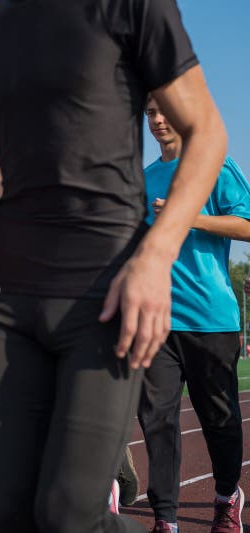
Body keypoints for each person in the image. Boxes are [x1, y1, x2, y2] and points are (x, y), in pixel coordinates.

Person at [0, 1, 228, 531]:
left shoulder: (132, 8)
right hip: (10, 307)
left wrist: (154, 257)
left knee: (68, 515)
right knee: (3, 514)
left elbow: (207, 133)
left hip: (105, 299)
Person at [140, 97, 250, 533]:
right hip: (157, 319)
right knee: (157, 421)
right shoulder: (144, 179)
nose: (158, 119)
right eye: (149, 112)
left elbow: (247, 225)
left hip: (211, 318)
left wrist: (191, 217)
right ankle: (165, 518)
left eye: (165, 110)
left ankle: (226, 497)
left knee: (219, 420)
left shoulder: (215, 167)